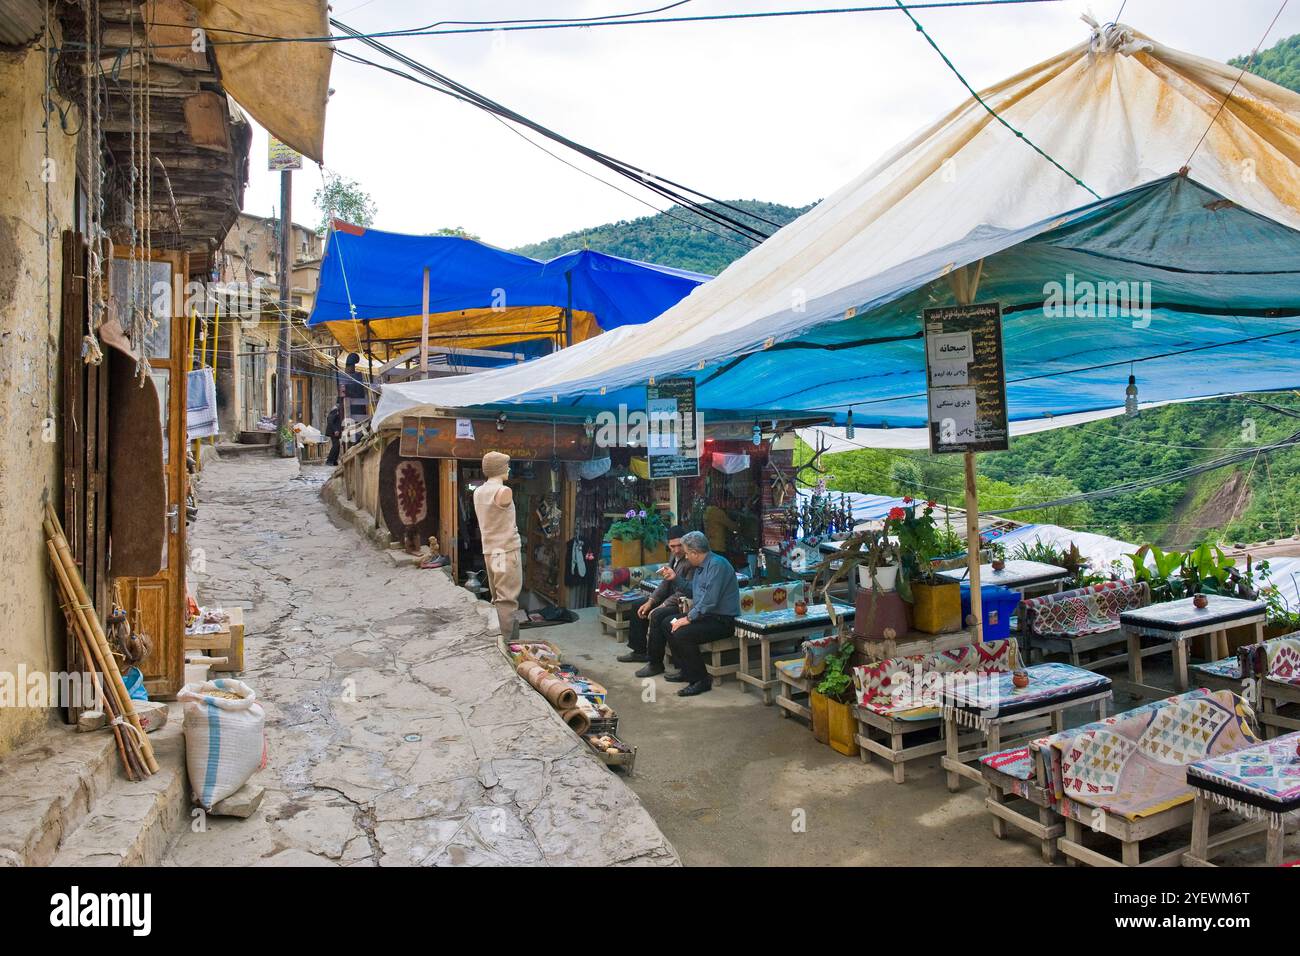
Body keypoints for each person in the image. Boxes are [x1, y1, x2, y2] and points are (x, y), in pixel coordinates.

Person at [663, 531, 741, 697]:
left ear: (694, 553)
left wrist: (688, 618)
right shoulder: (700, 567)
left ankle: (701, 680)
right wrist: (675, 578)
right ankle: (686, 671)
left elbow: (709, 601)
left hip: (722, 620)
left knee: (683, 633)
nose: (685, 556)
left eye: (686, 553)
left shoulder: (717, 565)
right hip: (707, 616)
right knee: (667, 622)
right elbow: (693, 591)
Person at [621, 525, 693, 666]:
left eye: (680, 545)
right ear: (668, 545)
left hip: (683, 602)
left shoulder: (690, 560)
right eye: (673, 546)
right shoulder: (673, 556)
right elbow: (665, 583)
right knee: (638, 605)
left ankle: (655, 664)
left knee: (658, 615)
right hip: (670, 598)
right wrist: (651, 600)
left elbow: (684, 591)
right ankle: (639, 652)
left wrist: (662, 605)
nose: (677, 549)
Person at [472, 451, 522, 640]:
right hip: (506, 551)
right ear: (499, 468)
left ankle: (500, 637)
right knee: (507, 600)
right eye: (506, 465)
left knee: (498, 598)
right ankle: (507, 644)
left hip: (492, 551)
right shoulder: (503, 491)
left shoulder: (478, 491)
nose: (509, 468)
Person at [325, 399, 343, 466]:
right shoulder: (335, 409)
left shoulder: (338, 409)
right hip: (333, 431)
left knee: (337, 445)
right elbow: (330, 420)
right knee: (336, 445)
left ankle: (334, 461)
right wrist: (335, 430)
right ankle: (329, 460)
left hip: (335, 431)